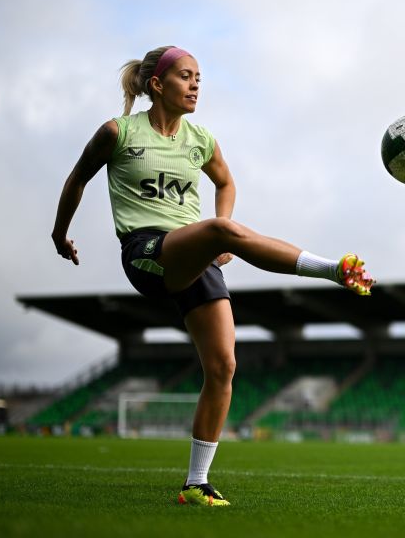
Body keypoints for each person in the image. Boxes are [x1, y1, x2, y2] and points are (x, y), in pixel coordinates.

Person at [51, 46, 375, 506]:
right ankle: (331, 269)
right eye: (186, 76)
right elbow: (77, 178)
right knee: (223, 230)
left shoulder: (201, 139)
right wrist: (59, 235)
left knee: (223, 367)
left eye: (199, 77)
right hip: (146, 251)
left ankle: (195, 484)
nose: (196, 84)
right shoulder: (117, 132)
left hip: (195, 253)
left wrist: (217, 237)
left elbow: (226, 181)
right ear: (158, 86)